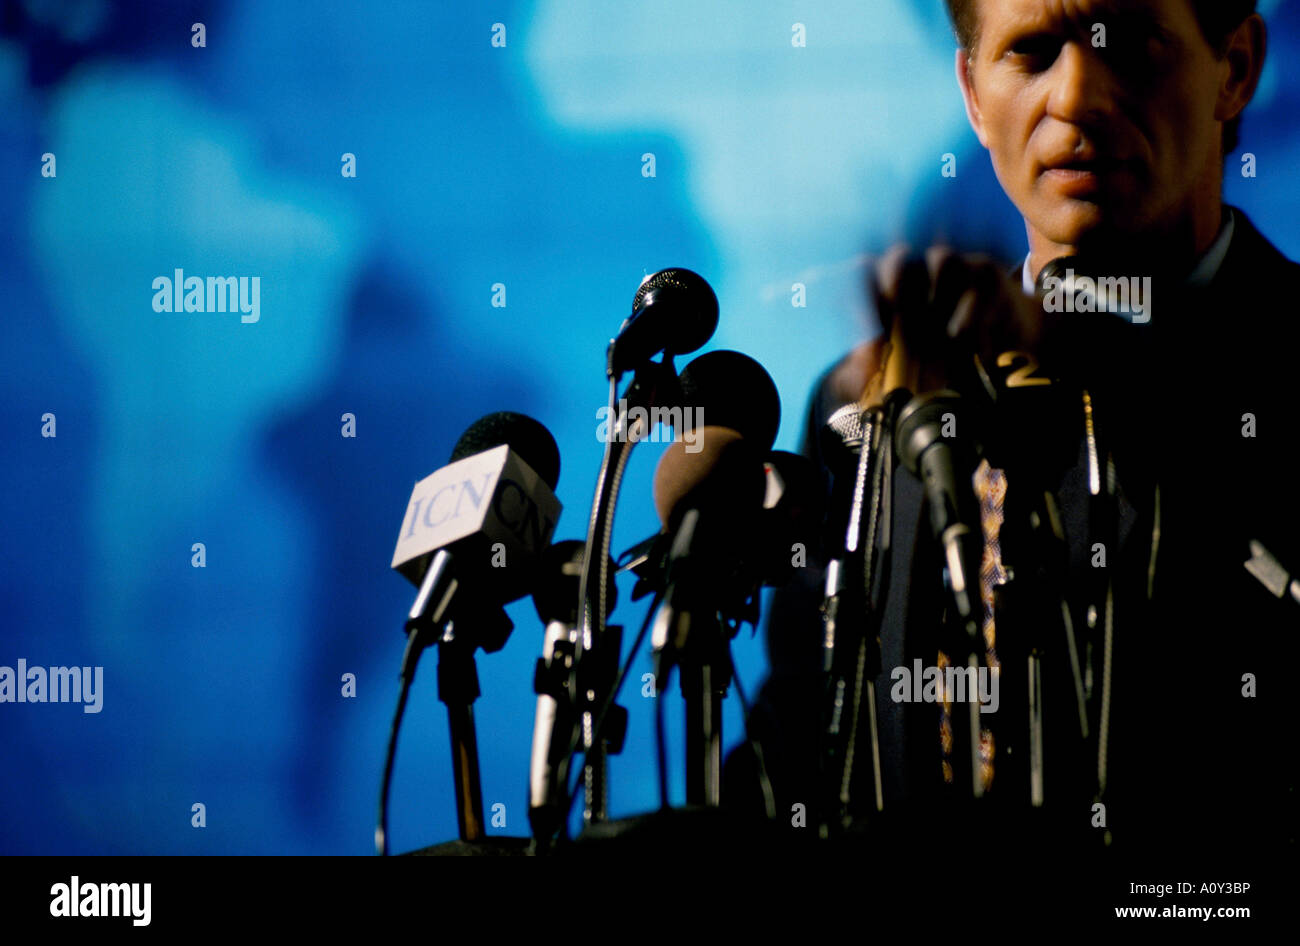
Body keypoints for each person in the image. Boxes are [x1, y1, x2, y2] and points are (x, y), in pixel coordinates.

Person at [727, 0, 1297, 878]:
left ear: (1235, 69)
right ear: (971, 93)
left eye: (1132, 45)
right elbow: (802, 745)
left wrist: (1089, 355)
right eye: (1031, 53)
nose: (1077, 97)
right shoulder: (873, 408)